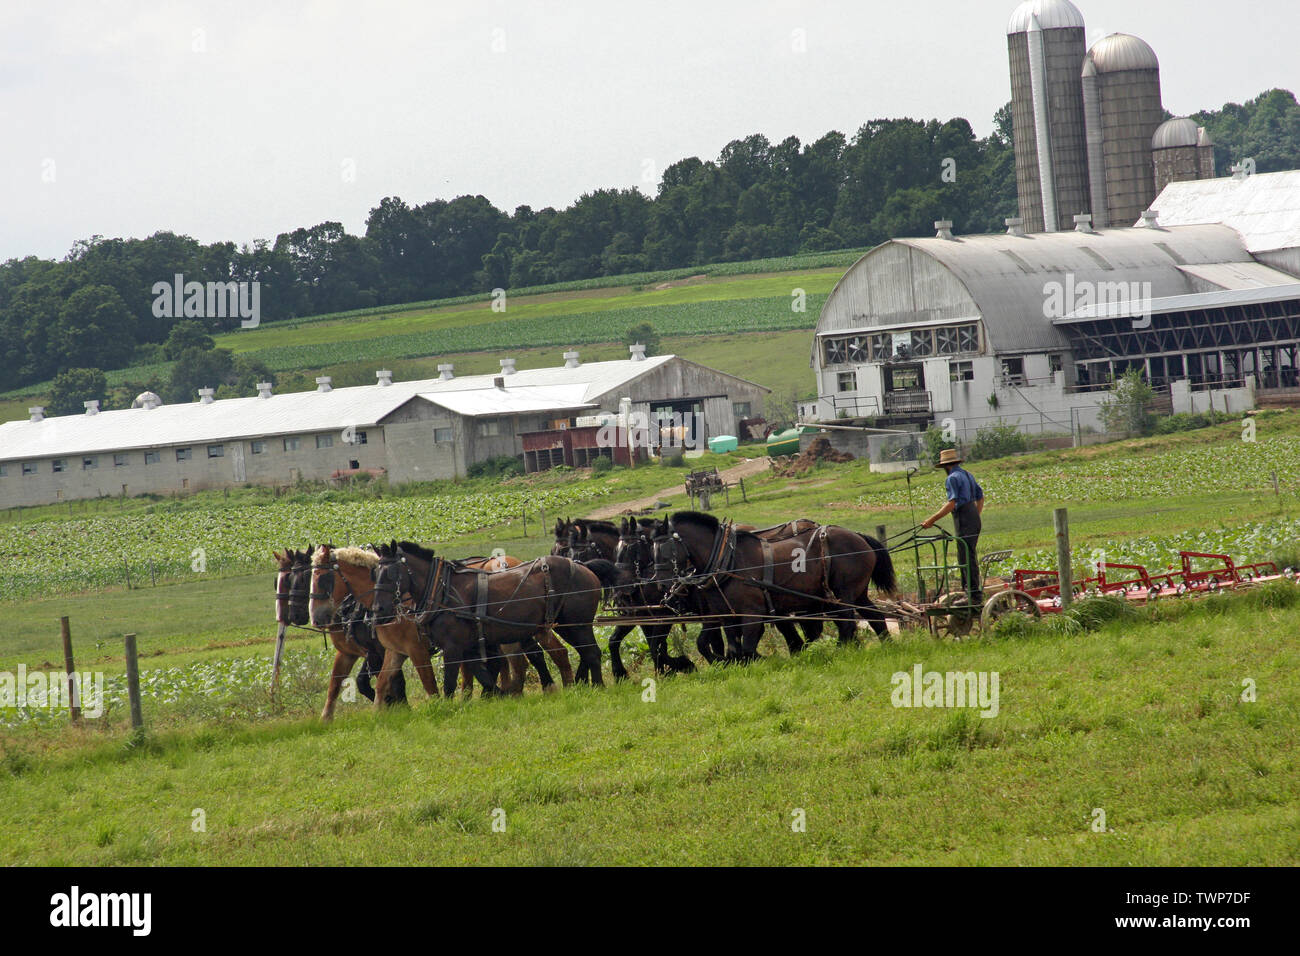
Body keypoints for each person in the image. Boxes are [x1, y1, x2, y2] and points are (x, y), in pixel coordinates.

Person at [920, 447, 985, 602]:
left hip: (964, 518)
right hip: (973, 517)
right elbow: (980, 497)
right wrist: (975, 515)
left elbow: (952, 504)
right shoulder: (968, 475)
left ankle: (972, 595)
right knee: (968, 554)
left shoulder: (952, 478)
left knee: (965, 557)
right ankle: (972, 592)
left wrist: (931, 520)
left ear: (946, 466)